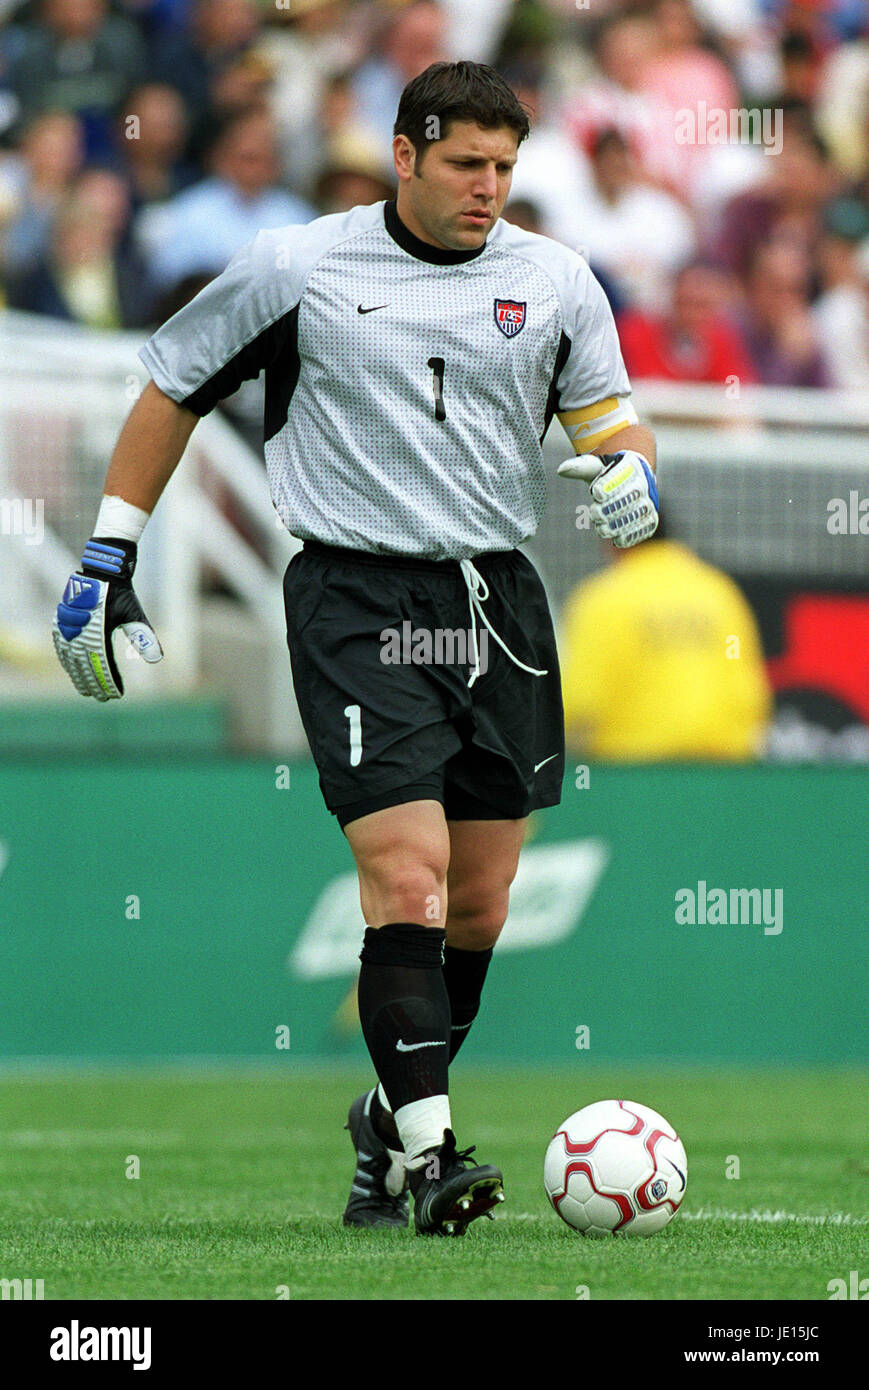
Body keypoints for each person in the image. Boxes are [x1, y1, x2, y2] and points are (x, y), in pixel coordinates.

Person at [52, 61, 659, 1237]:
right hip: (354, 595)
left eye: (504, 167)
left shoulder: (554, 281)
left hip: (497, 606)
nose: (487, 188)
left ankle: (384, 1122)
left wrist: (632, 467)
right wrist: (105, 556)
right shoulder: (299, 267)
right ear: (403, 155)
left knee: (477, 905)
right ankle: (435, 1158)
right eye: (465, 164)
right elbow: (168, 386)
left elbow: (605, 415)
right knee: (407, 875)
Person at [561, 516, 772, 761]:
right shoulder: (720, 594)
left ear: (612, 538)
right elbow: (749, 692)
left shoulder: (602, 600)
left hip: (632, 775)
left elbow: (580, 703)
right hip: (719, 772)